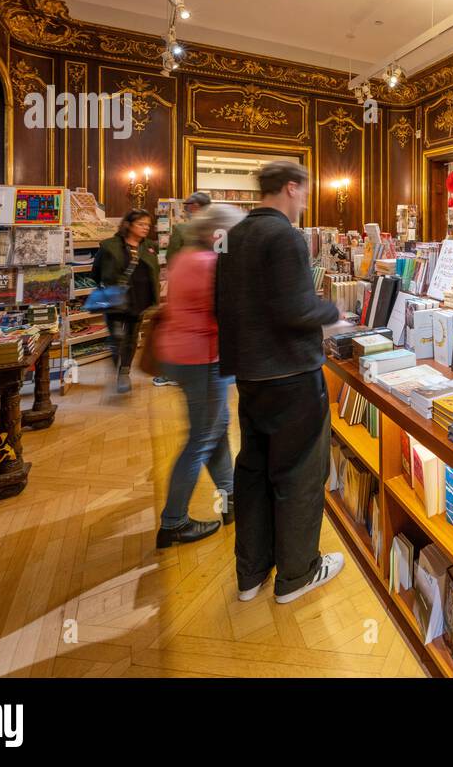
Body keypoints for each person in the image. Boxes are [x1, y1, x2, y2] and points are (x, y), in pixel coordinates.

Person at [215, 160, 344, 604]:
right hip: (292, 377)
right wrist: (335, 313)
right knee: (300, 475)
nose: (305, 201)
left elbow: (225, 308)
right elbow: (297, 310)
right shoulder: (285, 236)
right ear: (291, 188)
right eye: (305, 192)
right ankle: (297, 574)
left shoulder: (232, 236)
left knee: (253, 470)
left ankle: (251, 573)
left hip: (251, 377)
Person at [154, 203, 244, 548]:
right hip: (202, 358)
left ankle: (231, 497)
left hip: (184, 354)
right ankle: (174, 521)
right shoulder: (209, 264)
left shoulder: (185, 257)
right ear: (217, 234)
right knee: (202, 439)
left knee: (215, 429)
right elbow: (228, 309)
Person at [91, 209, 160, 394]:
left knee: (130, 338)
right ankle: (117, 367)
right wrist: (106, 287)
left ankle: (124, 372)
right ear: (128, 225)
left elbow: (155, 272)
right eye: (141, 224)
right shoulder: (109, 246)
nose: (146, 228)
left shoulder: (151, 246)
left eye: (148, 225)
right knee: (116, 337)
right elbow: (96, 271)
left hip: (139, 299)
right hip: (114, 298)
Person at [153, 192, 211, 388]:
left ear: (194, 206)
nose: (186, 208)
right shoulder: (219, 229)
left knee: (179, 328)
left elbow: (171, 258)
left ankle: (173, 374)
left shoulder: (182, 228)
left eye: (187, 205)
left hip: (184, 288)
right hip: (211, 290)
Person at [165, 191, 211, 260]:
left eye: (187, 208)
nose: (186, 211)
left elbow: (170, 257)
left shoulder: (180, 229)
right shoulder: (218, 229)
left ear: (194, 207)